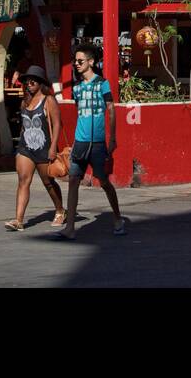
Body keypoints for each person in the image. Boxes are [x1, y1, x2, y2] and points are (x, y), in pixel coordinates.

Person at [53, 45, 126, 239]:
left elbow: (110, 110)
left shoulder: (103, 84)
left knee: (103, 182)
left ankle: (117, 218)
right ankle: (70, 228)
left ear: (91, 62)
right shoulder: (76, 88)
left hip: (97, 143)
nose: (76, 65)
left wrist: (112, 138)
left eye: (80, 61)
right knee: (73, 181)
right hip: (80, 142)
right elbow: (79, 112)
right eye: (75, 62)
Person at [5, 65, 65, 231]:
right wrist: (19, 145)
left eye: (33, 81)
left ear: (40, 83)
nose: (29, 83)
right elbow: (24, 125)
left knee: (48, 182)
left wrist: (53, 147)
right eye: (26, 81)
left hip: (44, 147)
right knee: (23, 180)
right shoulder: (24, 102)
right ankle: (19, 220)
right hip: (26, 147)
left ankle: (60, 210)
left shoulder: (48, 100)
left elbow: (57, 124)